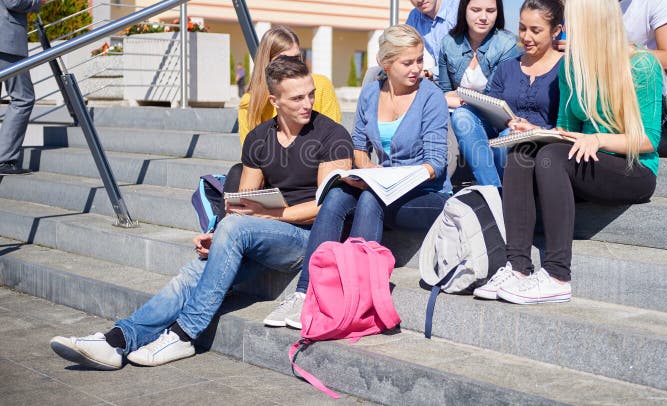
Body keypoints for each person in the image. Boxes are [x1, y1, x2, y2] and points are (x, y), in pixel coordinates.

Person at [49, 57, 354, 369]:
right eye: (297, 98)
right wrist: (218, 234)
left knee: (233, 231)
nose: (308, 103)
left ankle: (185, 334)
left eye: (310, 94)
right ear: (274, 101)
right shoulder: (259, 138)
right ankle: (117, 340)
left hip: (308, 239)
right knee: (193, 274)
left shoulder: (332, 135)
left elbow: (325, 208)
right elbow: (243, 203)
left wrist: (263, 219)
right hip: (264, 234)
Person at [475, 0, 663, 304]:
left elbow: (647, 140)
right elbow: (565, 129)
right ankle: (517, 267)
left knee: (551, 159)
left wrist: (598, 139)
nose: (567, 30)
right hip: (586, 160)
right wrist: (535, 130)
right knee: (523, 150)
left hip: (633, 168)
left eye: (573, 21)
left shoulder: (641, 66)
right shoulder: (572, 66)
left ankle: (557, 275)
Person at [264, 24, 450, 329]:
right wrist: (367, 170)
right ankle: (305, 294)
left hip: (427, 195)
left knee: (370, 199)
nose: (417, 68)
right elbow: (359, 147)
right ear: (386, 63)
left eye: (419, 60)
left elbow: (435, 165)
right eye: (408, 62)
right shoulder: (371, 93)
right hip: (382, 185)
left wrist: (390, 179)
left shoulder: (431, 97)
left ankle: (354, 296)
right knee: (337, 194)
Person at [226, 25, 342, 193]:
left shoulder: (320, 85)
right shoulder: (250, 102)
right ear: (267, 62)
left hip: (312, 171)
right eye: (283, 59)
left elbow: (332, 138)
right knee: (237, 172)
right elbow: (252, 157)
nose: (292, 65)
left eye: (297, 58)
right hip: (271, 176)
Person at [437, 0, 519, 187]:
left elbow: (497, 98)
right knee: (462, 117)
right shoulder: (449, 43)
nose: (483, 17)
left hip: (500, 121)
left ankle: (497, 193)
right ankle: (494, 192)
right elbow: (444, 92)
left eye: (490, 11)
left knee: (506, 137)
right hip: (464, 121)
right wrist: (457, 100)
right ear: (464, 9)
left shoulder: (506, 43)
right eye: (476, 10)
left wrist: (460, 98)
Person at [485, 0, 565, 170]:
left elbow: (569, 123)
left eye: (535, 31)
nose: (526, 37)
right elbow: (493, 111)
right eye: (522, 28)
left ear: (556, 31)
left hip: (548, 147)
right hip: (505, 143)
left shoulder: (567, 68)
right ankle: (494, 183)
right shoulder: (507, 68)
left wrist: (534, 130)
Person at [0, 0, 49, 175]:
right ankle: (4, 159)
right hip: (5, 40)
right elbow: (13, 0)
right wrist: (36, 0)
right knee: (23, 97)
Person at [397, 0, 458, 80]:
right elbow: (401, 49)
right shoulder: (414, 17)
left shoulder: (458, 11)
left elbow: (465, 62)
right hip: (441, 82)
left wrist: (427, 73)